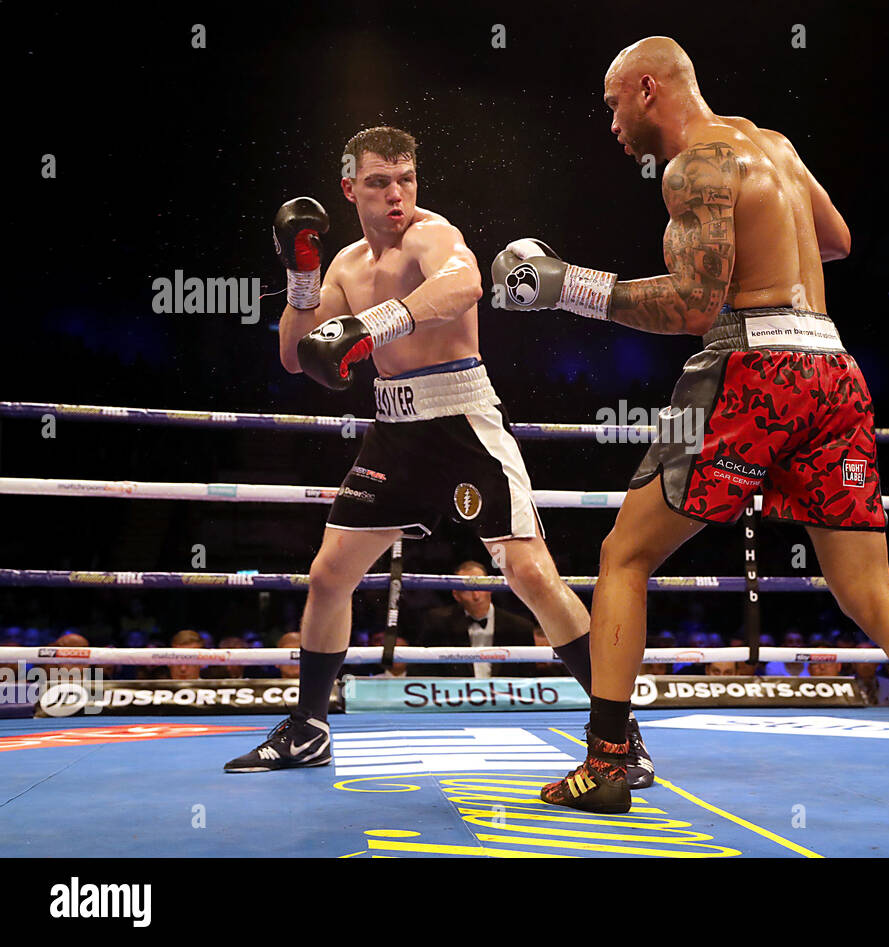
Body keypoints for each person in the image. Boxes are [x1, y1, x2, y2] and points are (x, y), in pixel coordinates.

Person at [493, 37, 889, 826]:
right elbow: (836, 240)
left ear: (649, 88)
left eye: (613, 103)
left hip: (753, 367)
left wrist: (572, 288)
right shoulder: (776, 145)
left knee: (623, 554)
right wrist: (771, 233)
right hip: (835, 370)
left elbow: (695, 307)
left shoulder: (693, 165)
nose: (613, 123)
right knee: (871, 591)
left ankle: (606, 764)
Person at [225, 127, 652, 785]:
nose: (396, 196)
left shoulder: (432, 235)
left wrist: (371, 325)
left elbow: (465, 285)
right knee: (329, 574)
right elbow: (296, 355)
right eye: (378, 183)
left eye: (406, 180)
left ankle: (618, 735)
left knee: (531, 574)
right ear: (349, 189)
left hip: (462, 423)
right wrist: (301, 280)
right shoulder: (342, 266)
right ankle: (309, 726)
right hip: (393, 431)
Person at [410, 560, 536, 677]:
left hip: (503, 697)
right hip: (456, 695)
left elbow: (528, 675)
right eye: (468, 590)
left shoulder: (519, 627)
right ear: (456, 595)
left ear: (490, 588)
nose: (476, 596)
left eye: (480, 587)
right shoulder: (438, 622)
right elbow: (424, 667)